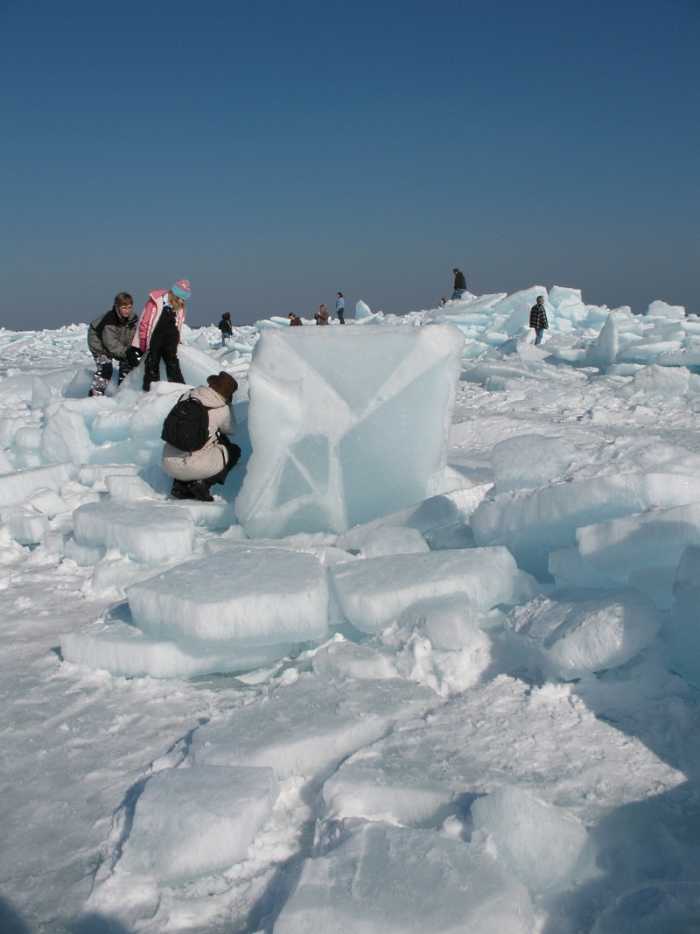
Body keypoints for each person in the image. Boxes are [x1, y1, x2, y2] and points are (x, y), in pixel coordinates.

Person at [162, 371, 241, 502]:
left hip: (167, 463)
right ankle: (203, 483)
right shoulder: (222, 408)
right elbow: (231, 430)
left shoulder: (187, 396)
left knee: (192, 442)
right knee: (233, 451)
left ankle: (180, 484)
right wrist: (228, 406)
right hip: (193, 466)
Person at [133, 279, 191, 392]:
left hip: (171, 339)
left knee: (172, 363)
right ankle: (150, 391)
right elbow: (144, 322)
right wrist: (143, 341)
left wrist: (177, 339)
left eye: (183, 299)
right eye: (179, 298)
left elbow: (178, 324)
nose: (181, 301)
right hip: (156, 337)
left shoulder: (180, 307)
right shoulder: (155, 302)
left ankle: (179, 390)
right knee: (152, 363)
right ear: (173, 294)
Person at [87, 292, 139, 396]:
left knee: (127, 363)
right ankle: (96, 393)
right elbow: (111, 344)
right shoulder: (110, 321)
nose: (127, 310)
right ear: (117, 307)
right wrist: (126, 352)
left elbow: (130, 338)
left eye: (129, 307)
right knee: (106, 368)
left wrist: (132, 352)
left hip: (116, 343)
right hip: (99, 345)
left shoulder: (131, 321)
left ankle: (123, 391)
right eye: (124, 308)